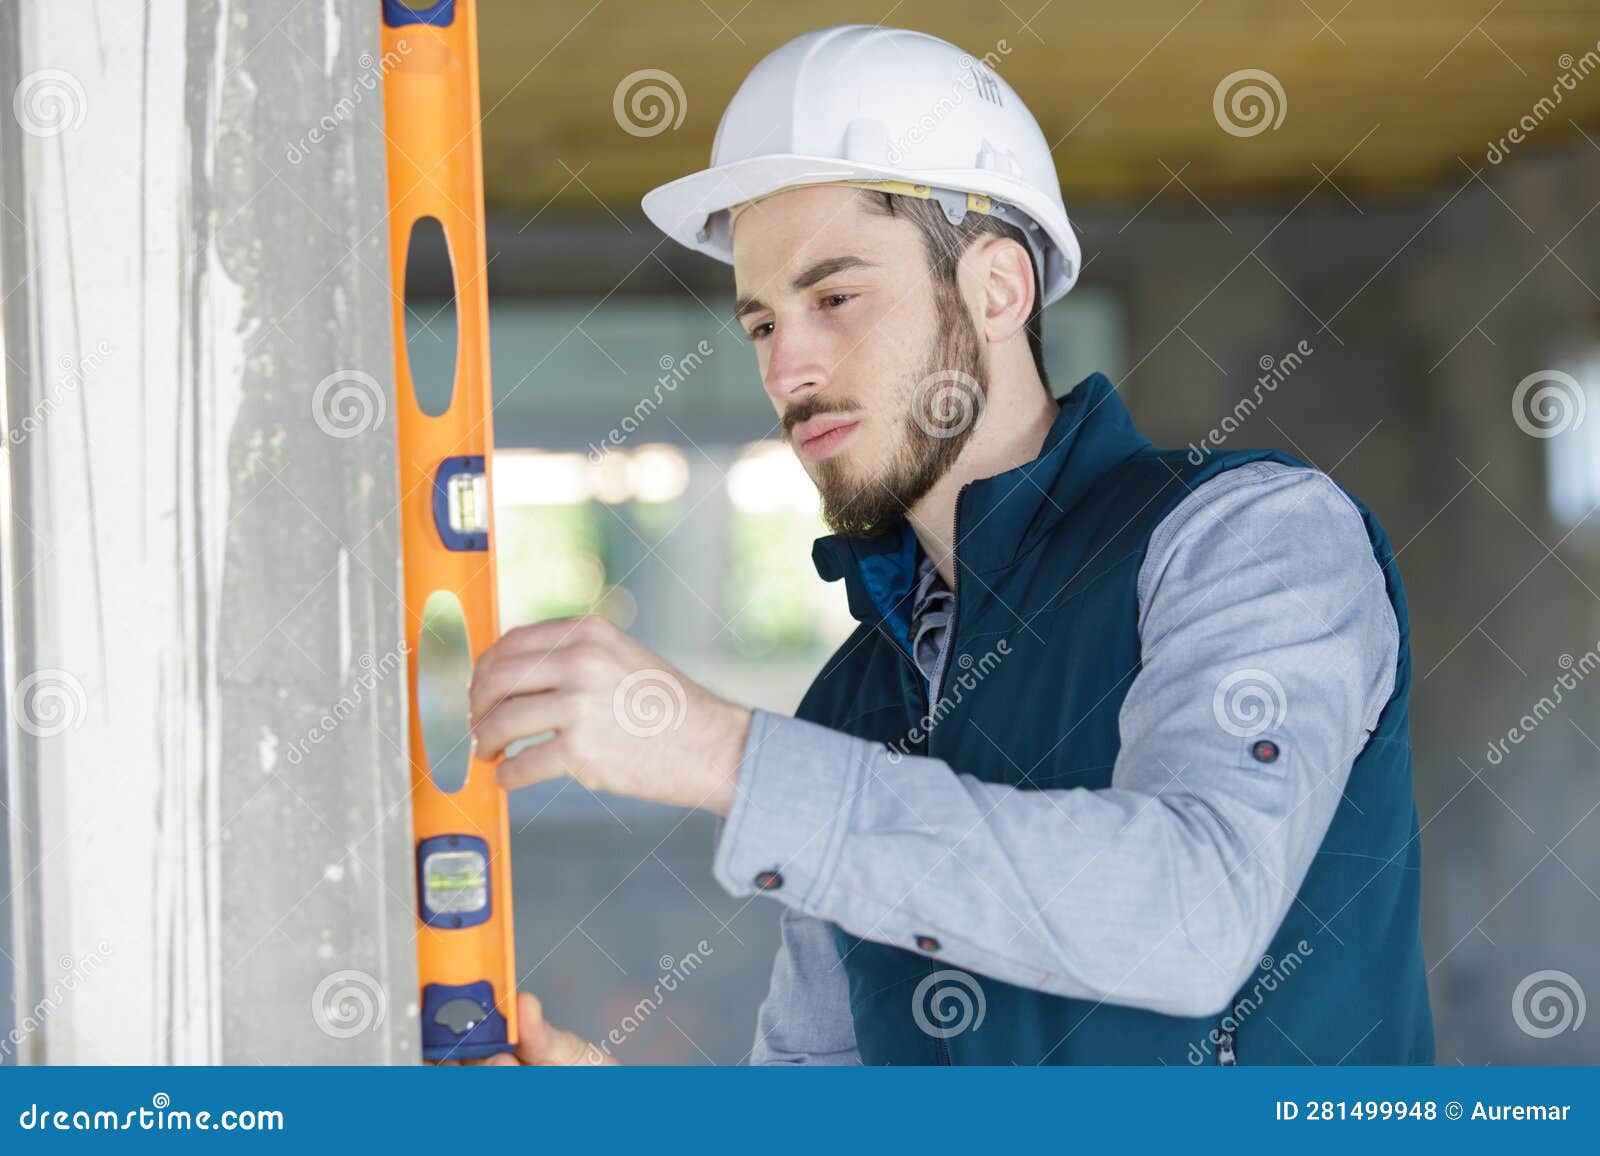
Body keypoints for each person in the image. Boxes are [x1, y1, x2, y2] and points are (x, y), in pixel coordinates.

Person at [457, 23, 1434, 1066]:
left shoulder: (1245, 538)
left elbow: (1191, 919)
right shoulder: (853, 700)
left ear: (998, 290)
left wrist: (723, 757)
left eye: (834, 297)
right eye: (760, 324)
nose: (787, 368)